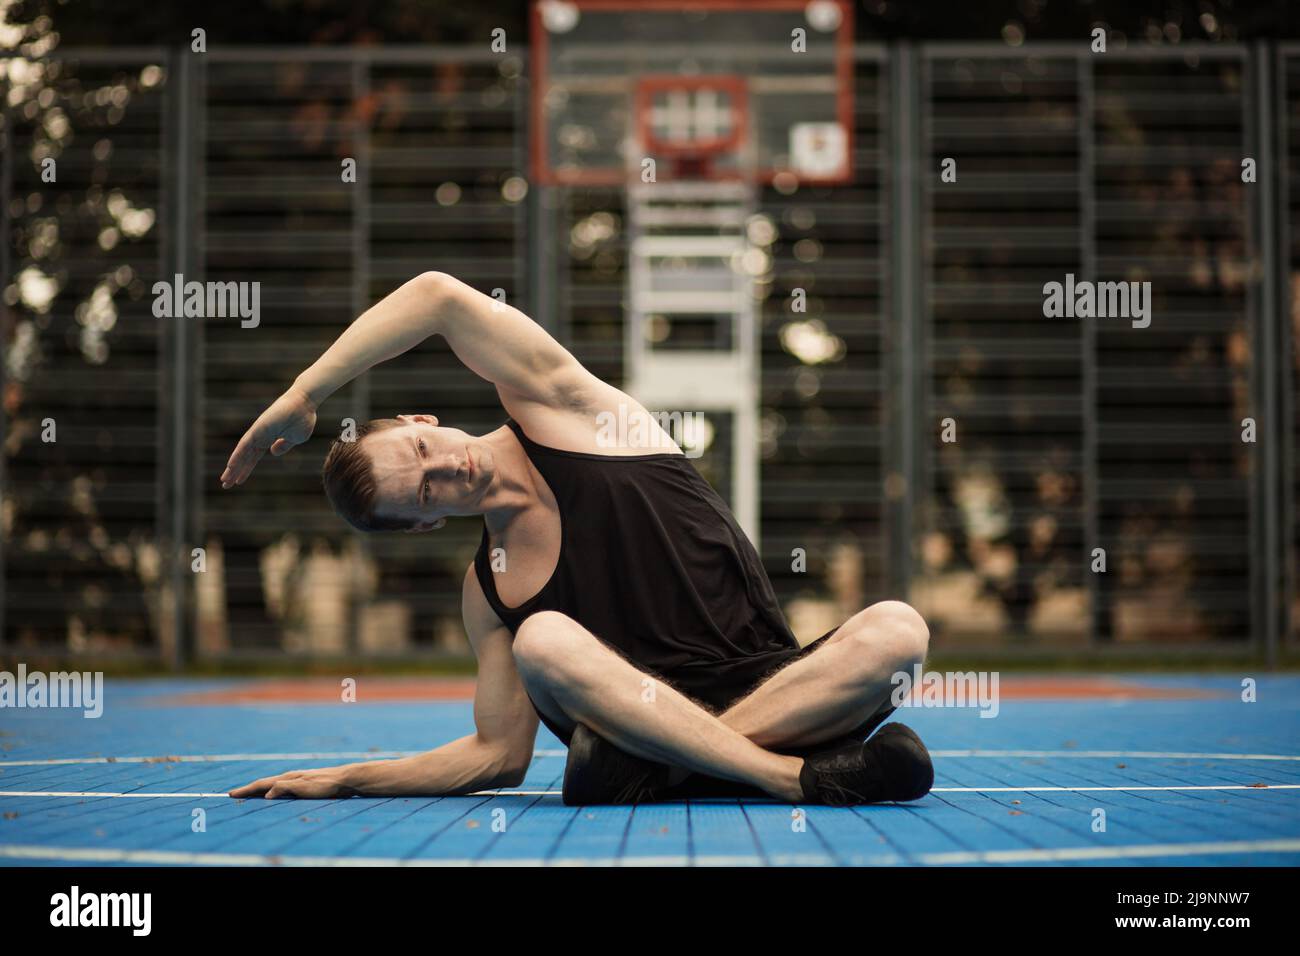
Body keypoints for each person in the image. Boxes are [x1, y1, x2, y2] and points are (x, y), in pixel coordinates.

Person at [223, 272, 933, 805]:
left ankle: (670, 771)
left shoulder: (563, 406)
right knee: (540, 641)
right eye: (425, 492)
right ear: (426, 524)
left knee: (899, 631)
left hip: (772, 688)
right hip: (634, 715)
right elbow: (497, 755)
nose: (443, 467)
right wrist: (351, 778)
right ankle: (785, 778)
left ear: (421, 418)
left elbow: (438, 297)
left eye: (419, 452)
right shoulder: (490, 590)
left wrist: (305, 394)